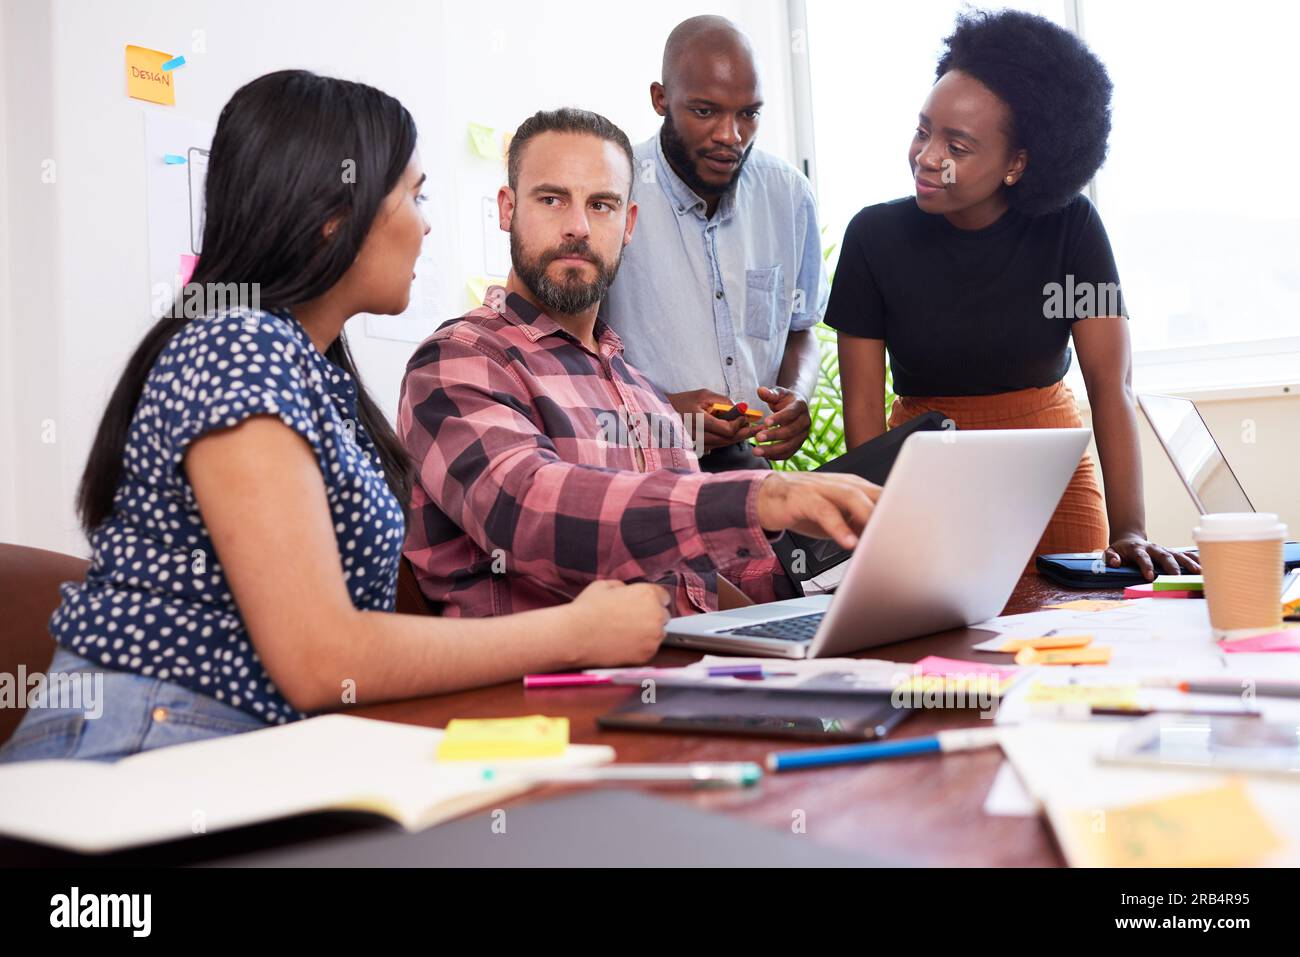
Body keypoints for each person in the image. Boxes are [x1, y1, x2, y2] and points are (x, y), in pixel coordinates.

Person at [0, 73, 673, 765]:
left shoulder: (315, 372)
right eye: (415, 196)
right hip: (146, 751)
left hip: (239, 752)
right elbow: (323, 656)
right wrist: (578, 630)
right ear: (334, 216)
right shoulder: (241, 346)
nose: (427, 222)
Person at [399, 107, 879, 619]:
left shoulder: (642, 391)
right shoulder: (460, 360)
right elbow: (527, 513)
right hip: (550, 692)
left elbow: (691, 581)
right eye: (552, 199)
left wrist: (799, 625)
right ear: (506, 209)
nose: (578, 228)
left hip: (688, 676)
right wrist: (761, 496)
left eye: (602, 204)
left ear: (627, 224)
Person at [825, 10, 1198, 580]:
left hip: (1048, 474)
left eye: (958, 145)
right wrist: (878, 532)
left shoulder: (1070, 227)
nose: (928, 157)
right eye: (924, 130)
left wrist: (1129, 531)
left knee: (1076, 635)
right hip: (926, 475)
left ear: (1017, 165)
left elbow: (1109, 382)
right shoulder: (874, 238)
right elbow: (866, 419)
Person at [601, 15, 828, 472]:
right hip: (635, 473)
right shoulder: (610, 191)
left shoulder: (789, 196)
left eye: (749, 114)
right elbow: (565, 360)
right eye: (705, 111)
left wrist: (797, 395)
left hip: (749, 472)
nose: (731, 136)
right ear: (660, 99)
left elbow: (800, 330)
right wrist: (664, 414)